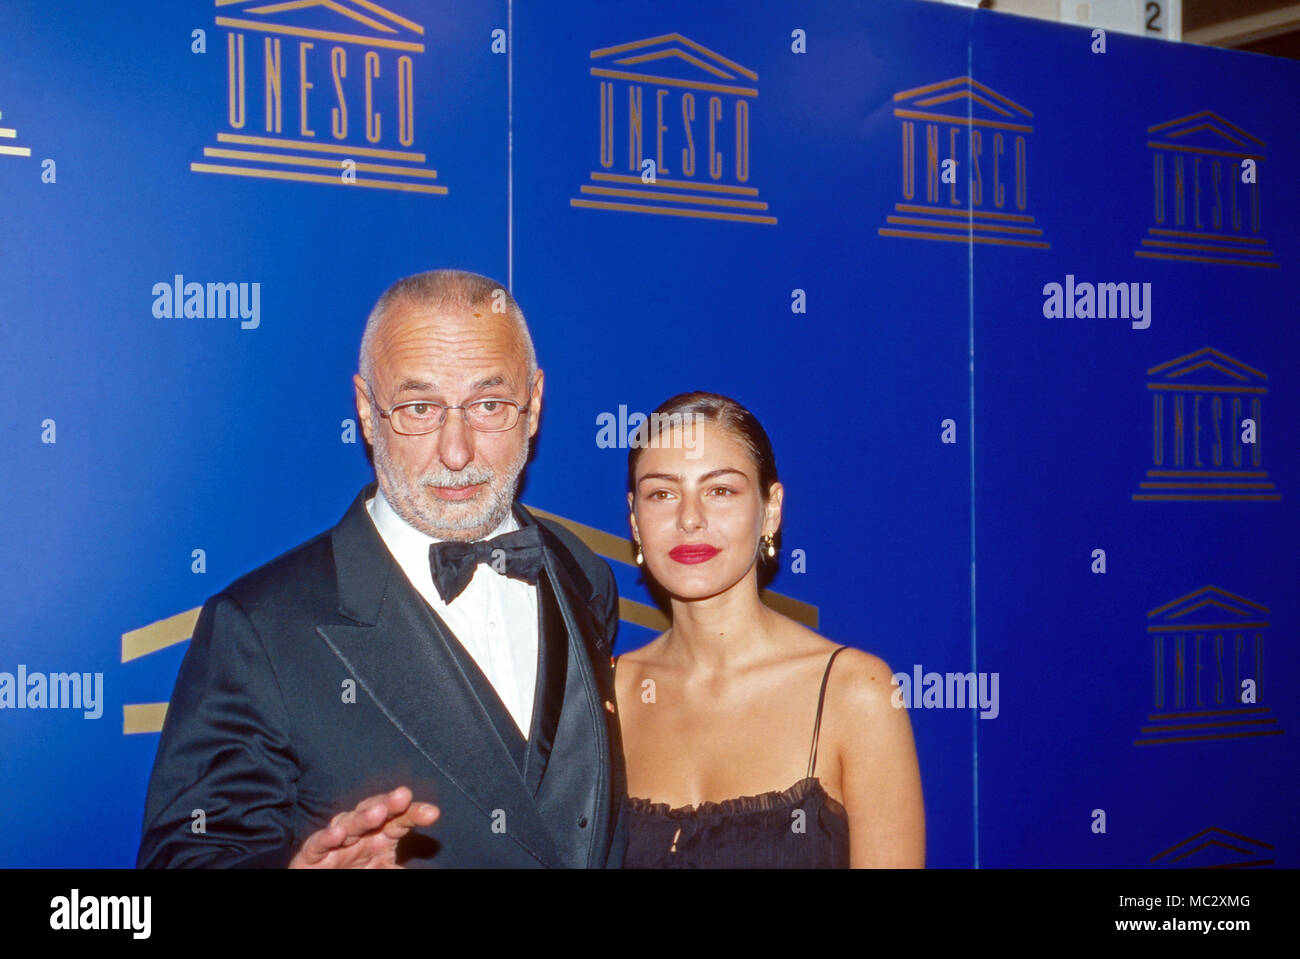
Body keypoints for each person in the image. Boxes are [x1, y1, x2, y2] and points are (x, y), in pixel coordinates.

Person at [137, 269, 627, 868]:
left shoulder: (582, 575)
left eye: (489, 405)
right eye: (420, 408)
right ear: (368, 412)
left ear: (534, 404)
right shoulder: (259, 629)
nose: (456, 451)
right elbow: (187, 856)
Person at [613, 392, 924, 868]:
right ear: (635, 520)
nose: (689, 518)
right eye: (663, 493)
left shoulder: (854, 692)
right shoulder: (605, 694)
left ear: (771, 509)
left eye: (720, 490)